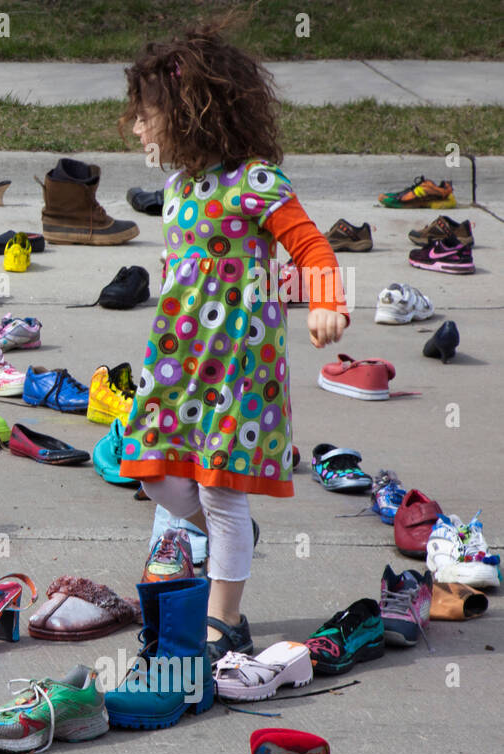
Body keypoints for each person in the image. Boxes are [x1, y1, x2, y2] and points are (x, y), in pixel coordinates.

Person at [116, 23, 347, 661]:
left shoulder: (256, 182)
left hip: (239, 363)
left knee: (220, 487)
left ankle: (226, 617)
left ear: (189, 116)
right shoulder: (177, 190)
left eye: (146, 116)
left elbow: (310, 246)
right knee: (155, 473)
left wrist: (327, 300)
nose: (137, 129)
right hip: (180, 360)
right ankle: (229, 539)